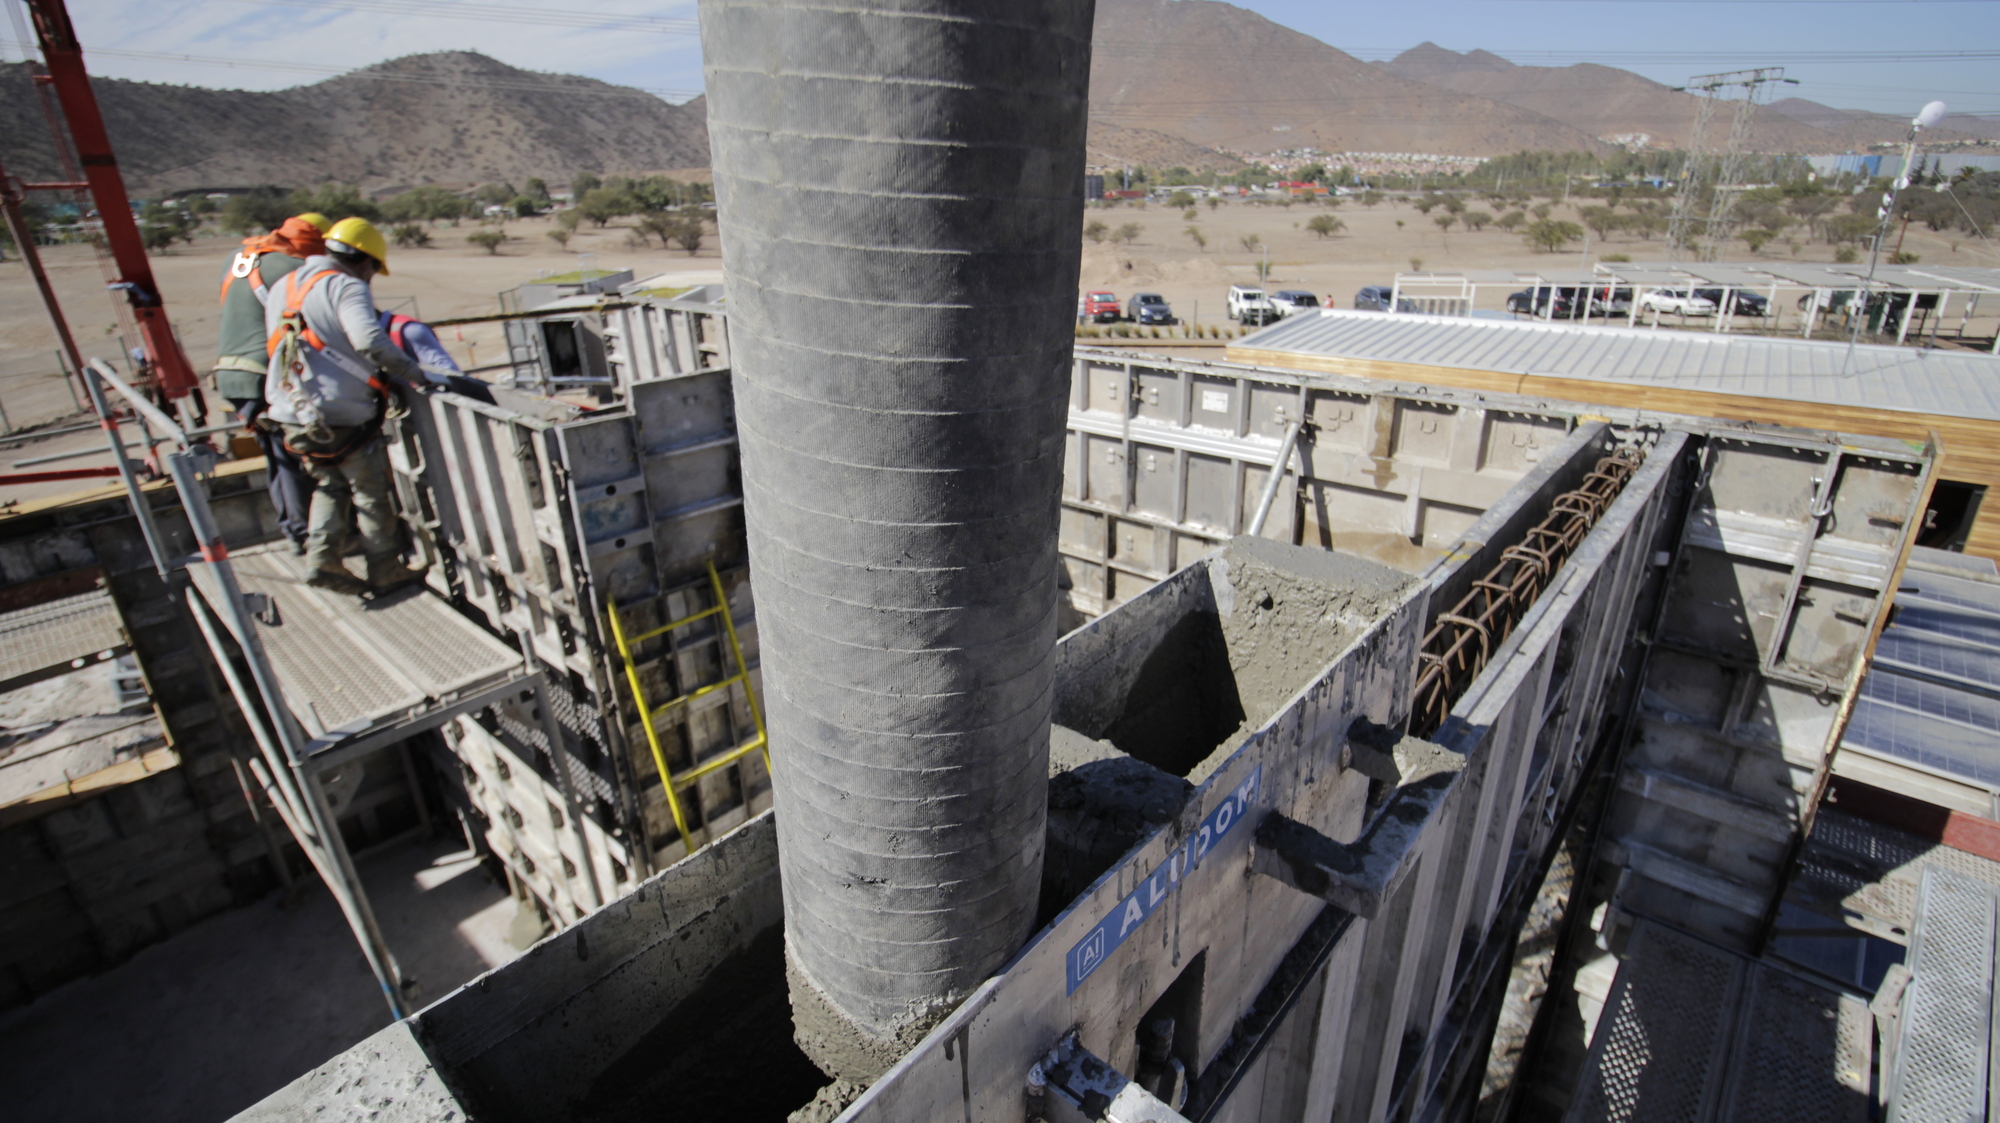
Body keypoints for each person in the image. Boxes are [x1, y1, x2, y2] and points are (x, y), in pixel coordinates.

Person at [262, 216, 428, 596]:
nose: (371, 277)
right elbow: (370, 341)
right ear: (363, 260)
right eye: (372, 268)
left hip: (292, 412)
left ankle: (321, 560)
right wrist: (415, 374)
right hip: (339, 415)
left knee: (330, 483)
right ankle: (385, 568)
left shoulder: (283, 286)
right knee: (368, 491)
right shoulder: (346, 287)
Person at [214, 212, 330, 552]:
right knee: (296, 454)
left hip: (231, 374)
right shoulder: (289, 270)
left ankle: (294, 530)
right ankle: (306, 535)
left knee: (277, 454)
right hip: (264, 375)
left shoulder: (239, 260)